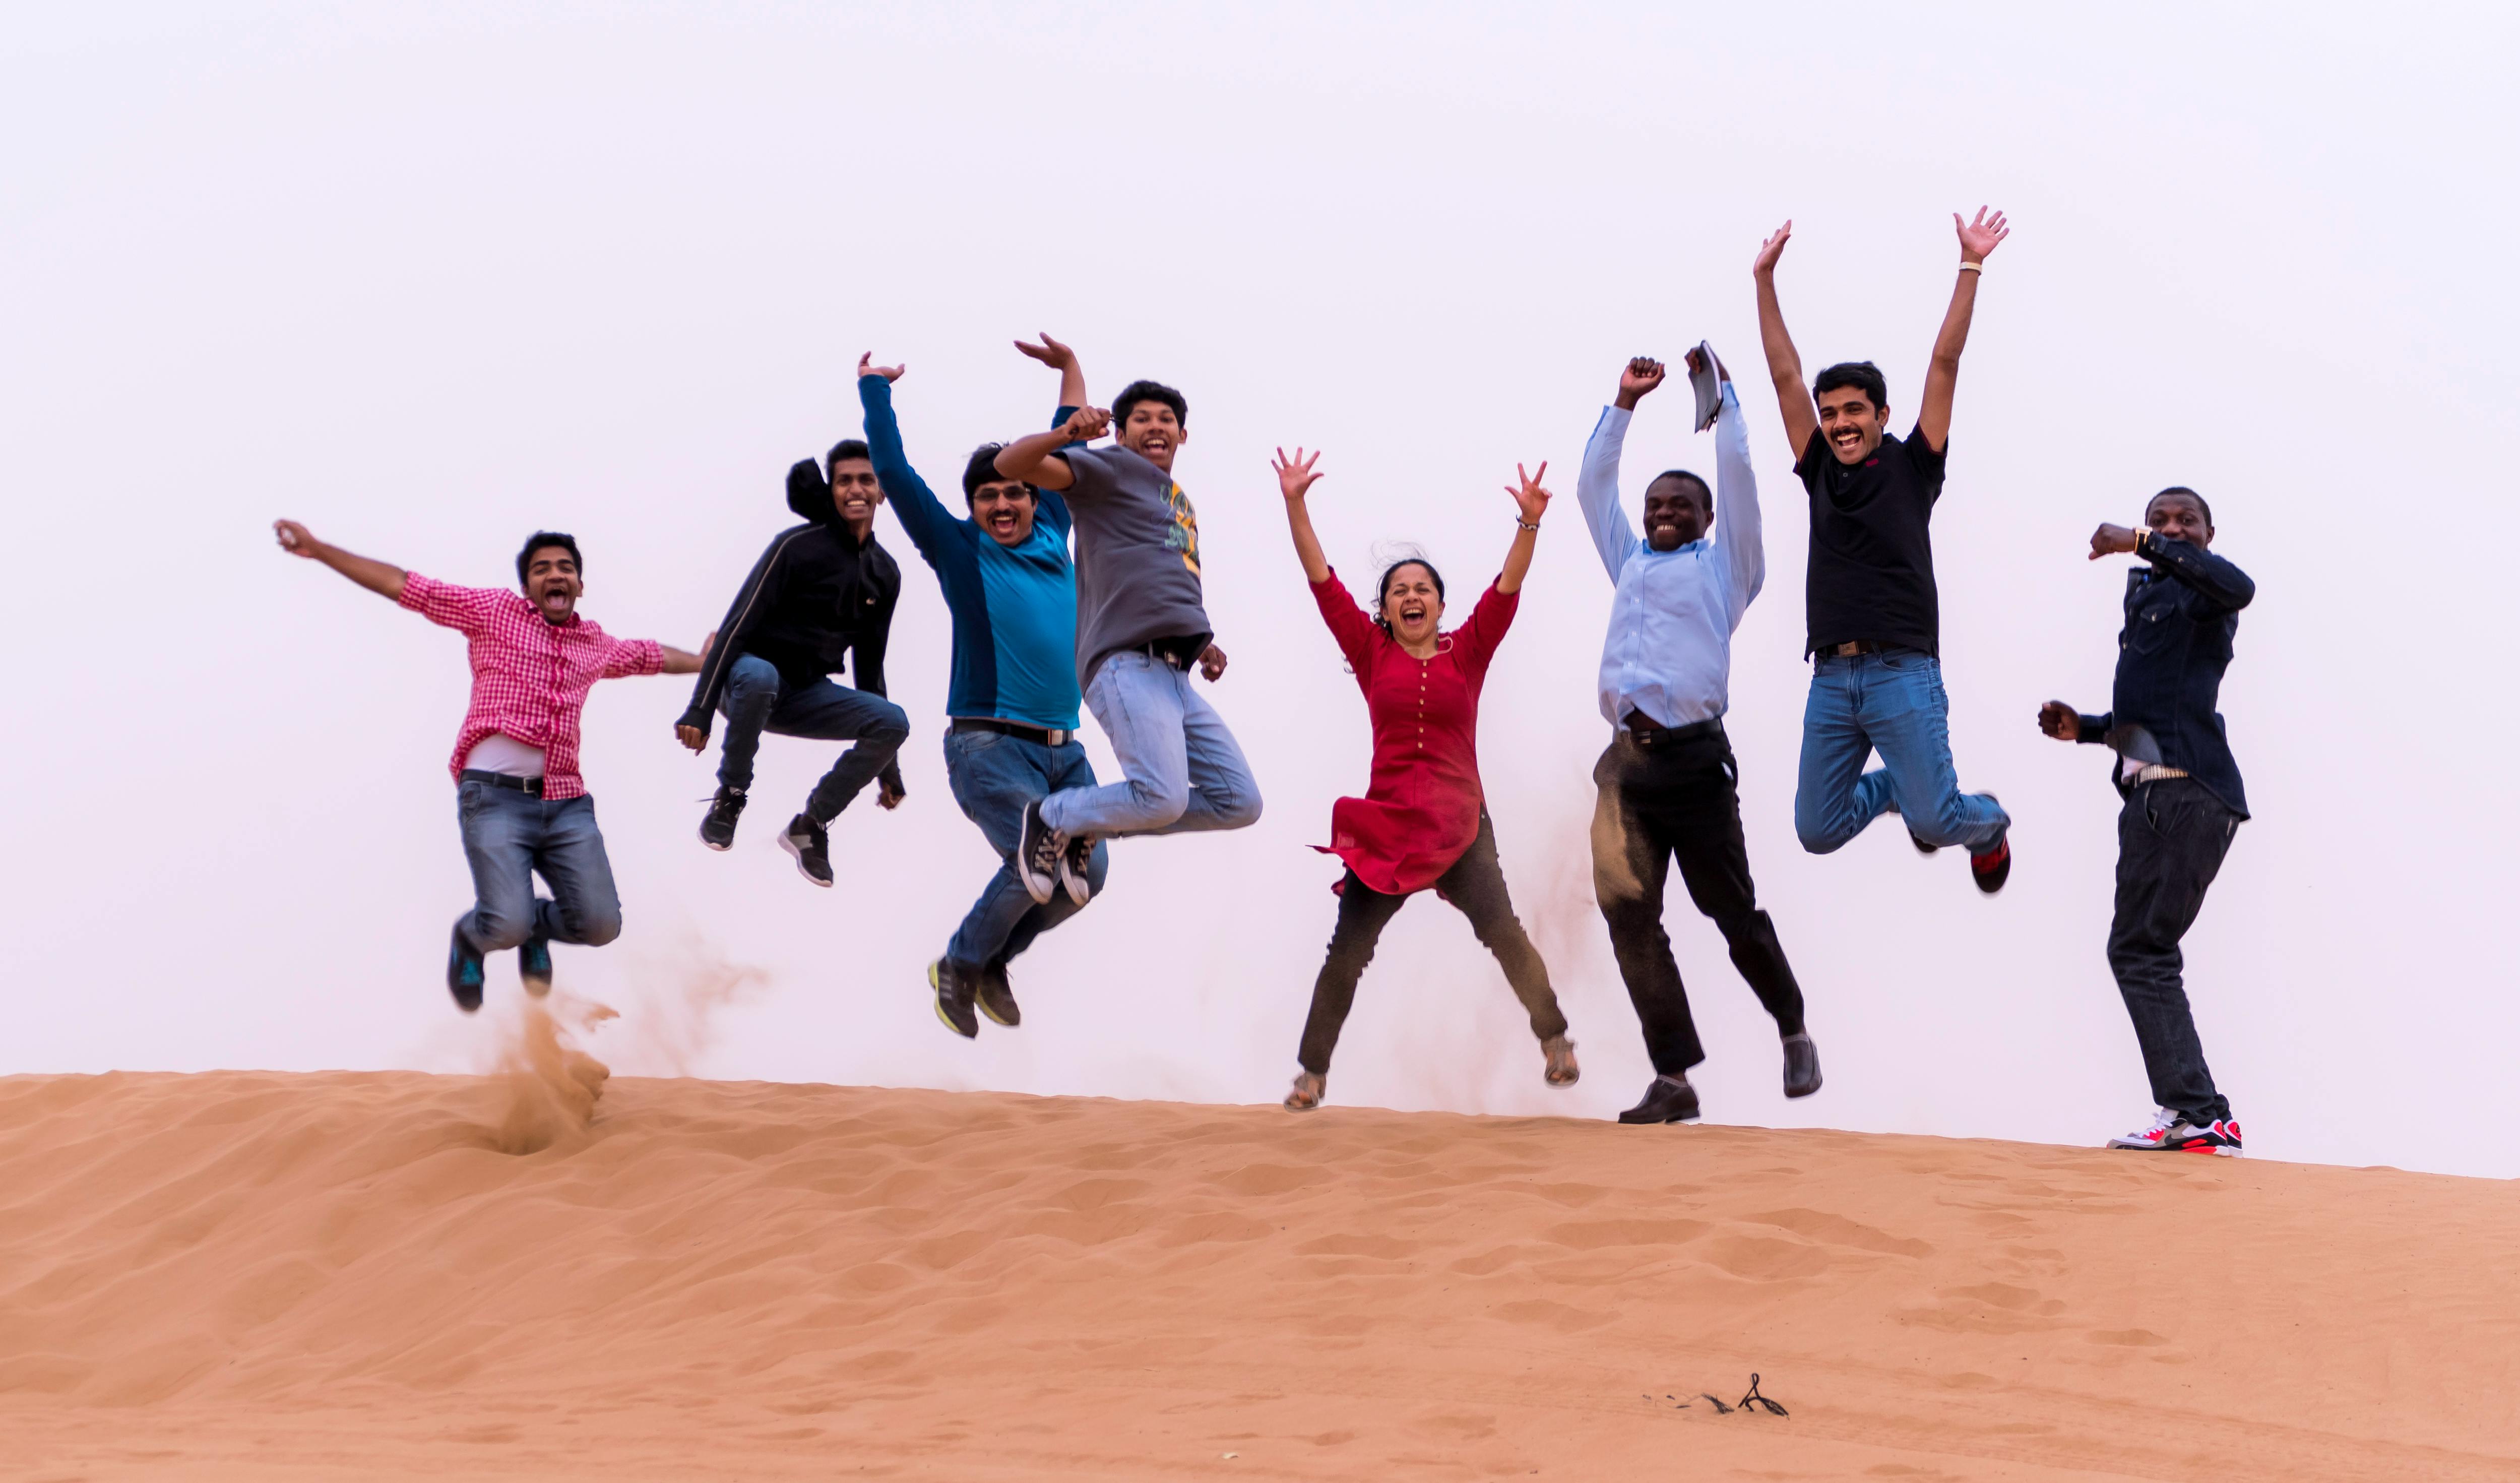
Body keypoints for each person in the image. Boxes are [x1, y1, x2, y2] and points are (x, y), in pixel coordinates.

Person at [271, 520, 704, 1011]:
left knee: (601, 925)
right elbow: (405, 586)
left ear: (580, 585)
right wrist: (321, 549)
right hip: (493, 798)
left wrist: (704, 661)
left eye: (565, 568)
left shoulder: (595, 644)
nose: (554, 575)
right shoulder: (495, 611)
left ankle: (538, 927)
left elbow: (652, 656)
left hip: (566, 804)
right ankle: (471, 939)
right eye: (542, 569)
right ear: (527, 587)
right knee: (506, 923)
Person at [1270, 448, 1578, 1113]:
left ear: (1440, 604)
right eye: (1399, 590)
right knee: (1346, 954)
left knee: (1503, 931)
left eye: (1423, 589)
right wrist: (1296, 504)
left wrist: (1528, 523)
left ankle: (1554, 1038)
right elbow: (1322, 581)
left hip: (1461, 826)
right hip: (1385, 833)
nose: (1412, 596)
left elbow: (1507, 589)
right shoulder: (1369, 648)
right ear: (1384, 608)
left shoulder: (1468, 650)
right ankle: (1311, 1074)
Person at [1578, 348, 1818, 1126]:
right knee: (1628, 915)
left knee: (1730, 910)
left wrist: (1720, 404)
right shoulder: (1629, 560)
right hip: (1625, 769)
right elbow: (1592, 489)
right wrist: (1624, 403)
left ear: (1708, 521)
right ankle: (1674, 1075)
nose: (1664, 513)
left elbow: (1741, 476)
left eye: (1681, 505)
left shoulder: (1728, 570)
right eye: (1655, 504)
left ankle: (1791, 1024)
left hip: (1695, 764)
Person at [1751, 209, 2015, 892]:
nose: (1839, 423)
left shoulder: (1913, 465)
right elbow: (1784, 377)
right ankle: (1900, 790)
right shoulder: (1818, 469)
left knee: (1940, 817)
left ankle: (1988, 824)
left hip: (1902, 671)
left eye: (1854, 411)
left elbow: (1945, 362)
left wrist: (1971, 264)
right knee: (1817, 828)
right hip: (1832, 681)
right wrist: (1764, 280)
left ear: (1881, 416)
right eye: (1831, 412)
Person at [857, 339, 1111, 1038]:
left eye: (1015, 491)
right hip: (989, 743)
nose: (1003, 502)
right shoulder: (957, 547)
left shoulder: (1055, 528)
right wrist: (875, 389)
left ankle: (995, 959)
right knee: (1034, 864)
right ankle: (960, 965)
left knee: (1091, 876)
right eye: (988, 494)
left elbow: (1071, 428)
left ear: (1038, 499)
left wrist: (1068, 369)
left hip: (1067, 750)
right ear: (972, 506)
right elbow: (894, 473)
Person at [991, 351, 1262, 906]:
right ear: (1120, 430)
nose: (1155, 426)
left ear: (1182, 434)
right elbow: (1010, 466)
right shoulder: (1107, 469)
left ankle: (1088, 823)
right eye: (1141, 418)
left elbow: (1159, 574)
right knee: (1160, 797)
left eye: (1165, 418)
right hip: (1123, 663)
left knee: (1239, 801)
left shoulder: (1178, 500)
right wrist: (1068, 431)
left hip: (1175, 674)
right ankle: (1053, 814)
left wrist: (1201, 640)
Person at [2038, 487, 2253, 1156]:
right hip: (2157, 793)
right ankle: (2196, 1111)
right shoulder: (2149, 601)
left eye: (2186, 520)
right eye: (2160, 517)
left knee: (2139, 951)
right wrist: (2089, 731)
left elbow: (2241, 586)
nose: (2172, 527)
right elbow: (2155, 715)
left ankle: (2199, 1111)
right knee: (2140, 949)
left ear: (2209, 534)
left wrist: (2140, 539)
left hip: (2182, 792)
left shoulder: (2204, 593)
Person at [675, 435, 909, 888]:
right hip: (744, 679)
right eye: (844, 481)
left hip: (805, 693)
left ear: (882, 491)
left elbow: (871, 670)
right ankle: (732, 795)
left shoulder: (885, 572)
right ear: (833, 489)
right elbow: (736, 627)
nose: (855, 489)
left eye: (866, 480)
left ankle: (811, 826)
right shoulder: (797, 545)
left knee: (893, 721)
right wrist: (700, 709)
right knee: (761, 675)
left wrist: (889, 769)